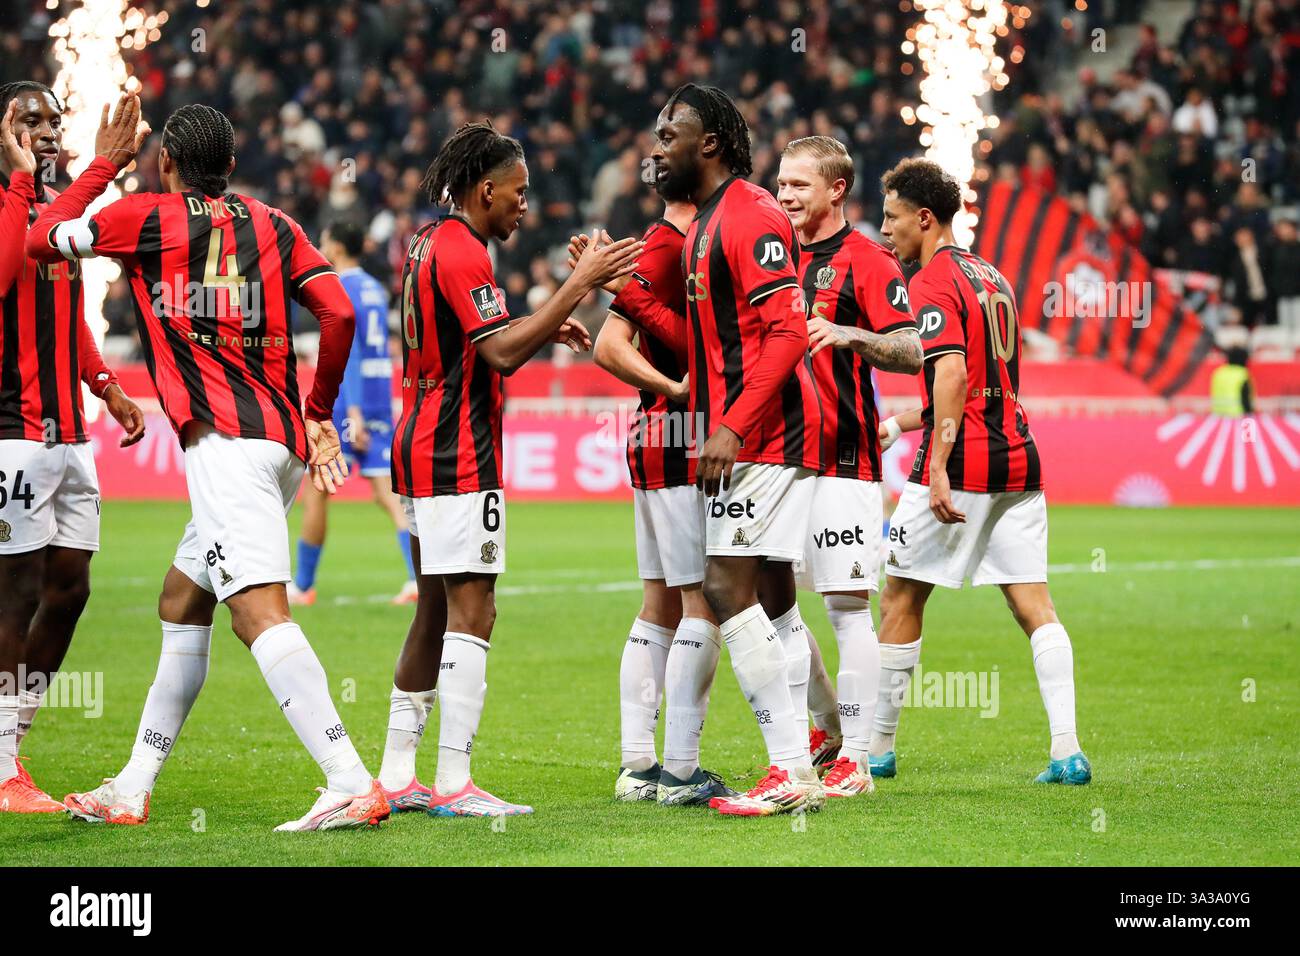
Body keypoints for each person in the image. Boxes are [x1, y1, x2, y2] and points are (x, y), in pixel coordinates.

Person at [28, 95, 392, 829]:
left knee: (257, 613)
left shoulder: (143, 218)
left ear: (165, 161)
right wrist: (318, 407)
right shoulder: (275, 223)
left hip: (225, 447)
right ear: (229, 164)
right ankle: (132, 786)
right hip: (280, 444)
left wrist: (102, 167)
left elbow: (40, 239)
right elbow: (340, 313)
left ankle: (350, 779)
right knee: (182, 601)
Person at [373, 122, 641, 817]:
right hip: (459, 449)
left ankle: (398, 774)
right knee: (475, 610)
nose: (525, 205)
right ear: (485, 190)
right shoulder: (466, 251)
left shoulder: (428, 240)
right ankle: (455, 782)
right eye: (518, 193)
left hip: (419, 439)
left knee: (433, 608)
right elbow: (500, 353)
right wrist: (577, 286)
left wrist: (541, 320)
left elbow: (468, 333)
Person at [612, 84, 826, 816]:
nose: (656, 148)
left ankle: (792, 767)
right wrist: (628, 294)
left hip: (767, 432)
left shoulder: (752, 213)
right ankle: (798, 760)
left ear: (708, 144)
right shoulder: (704, 225)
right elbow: (700, 343)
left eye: (668, 135)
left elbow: (788, 332)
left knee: (728, 589)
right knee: (745, 591)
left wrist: (730, 425)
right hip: (740, 434)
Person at [868, 157, 1091, 785]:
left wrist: (937, 466)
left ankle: (875, 750)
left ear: (924, 218)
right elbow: (984, 387)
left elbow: (953, 377)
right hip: (1018, 458)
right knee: (1033, 604)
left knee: (901, 594)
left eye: (891, 217)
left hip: (963, 461)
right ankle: (1067, 751)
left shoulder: (932, 281)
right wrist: (899, 424)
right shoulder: (991, 275)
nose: (884, 230)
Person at [0, 82, 145, 813]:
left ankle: (9, 742)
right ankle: (1, 770)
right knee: (14, 595)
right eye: (32, 121)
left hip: (70, 434)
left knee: (69, 590)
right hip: (13, 436)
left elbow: (66, 316)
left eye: (55, 121)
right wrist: (25, 180)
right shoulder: (10, 209)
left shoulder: (53, 212)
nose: (50, 131)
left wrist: (105, 385)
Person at [573, 178, 735, 807]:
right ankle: (680, 771)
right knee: (703, 605)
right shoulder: (676, 248)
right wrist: (675, 390)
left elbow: (614, 342)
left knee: (660, 606)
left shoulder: (657, 248)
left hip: (653, 439)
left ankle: (638, 765)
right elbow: (610, 348)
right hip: (680, 441)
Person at [775, 135, 922, 797]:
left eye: (798, 185)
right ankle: (828, 724)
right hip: (776, 459)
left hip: (841, 459)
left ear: (836, 189)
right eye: (781, 184)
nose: (785, 195)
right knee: (768, 601)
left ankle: (857, 760)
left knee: (844, 606)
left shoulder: (866, 257)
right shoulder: (771, 255)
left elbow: (913, 349)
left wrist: (849, 334)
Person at [288, 220, 416, 607]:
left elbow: (352, 351)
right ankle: (417, 578)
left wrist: (354, 411)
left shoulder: (339, 286)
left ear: (338, 247)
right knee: (386, 492)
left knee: (318, 490)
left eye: (325, 239)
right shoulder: (375, 288)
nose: (322, 245)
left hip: (349, 403)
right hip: (380, 396)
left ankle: (303, 585)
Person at [1209, 346, 1254, 416]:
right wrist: (1249, 414)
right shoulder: (1242, 373)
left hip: (1218, 414)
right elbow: (1245, 397)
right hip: (1237, 414)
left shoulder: (1218, 372)